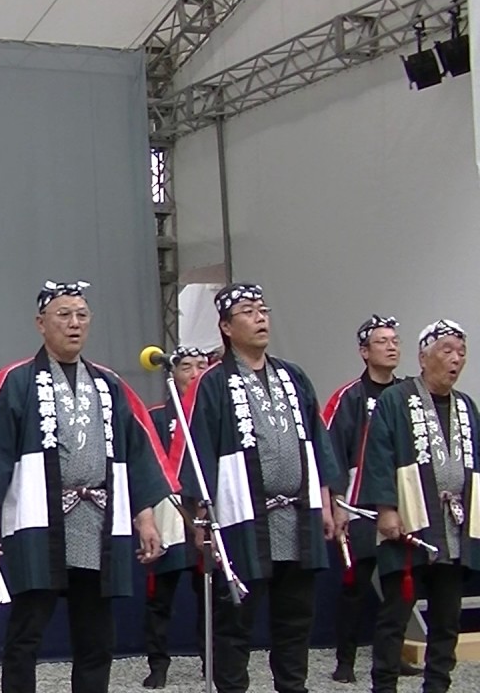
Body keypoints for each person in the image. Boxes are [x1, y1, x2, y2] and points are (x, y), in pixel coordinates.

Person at [0, 279, 170, 693]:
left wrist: (146, 520)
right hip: (40, 520)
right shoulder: (15, 381)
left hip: (99, 522)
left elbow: (136, 455)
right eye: (63, 315)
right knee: (27, 630)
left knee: (96, 637)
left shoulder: (110, 384)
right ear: (41, 323)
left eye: (82, 315)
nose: (74, 324)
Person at [174, 282, 340, 693]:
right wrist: (200, 515)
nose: (261, 317)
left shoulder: (293, 376)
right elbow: (197, 452)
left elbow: (317, 440)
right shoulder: (211, 384)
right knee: (236, 617)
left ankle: (292, 686)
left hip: (298, 513)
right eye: (249, 311)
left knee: (296, 615)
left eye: (263, 310)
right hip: (241, 515)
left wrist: (326, 498)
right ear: (227, 327)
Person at [359, 319, 475, 693]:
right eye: (447, 350)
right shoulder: (396, 400)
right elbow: (377, 455)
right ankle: (385, 685)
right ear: (423, 357)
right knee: (395, 613)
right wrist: (386, 509)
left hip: (454, 526)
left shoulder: (467, 406)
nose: (455, 359)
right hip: (410, 523)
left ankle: (438, 685)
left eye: (461, 352)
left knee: (447, 616)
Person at [322, 315, 420, 684]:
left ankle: (391, 657)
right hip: (357, 501)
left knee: (400, 582)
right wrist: (336, 502)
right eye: (382, 341)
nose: (392, 346)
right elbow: (331, 451)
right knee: (355, 584)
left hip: (399, 499)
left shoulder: (409, 395)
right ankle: (345, 659)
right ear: (364, 351)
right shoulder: (348, 398)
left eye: (395, 340)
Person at [141, 346, 208, 689]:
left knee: (209, 592)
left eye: (202, 366)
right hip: (169, 506)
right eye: (187, 367)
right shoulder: (155, 416)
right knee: (161, 595)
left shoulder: (213, 413)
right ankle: (158, 663)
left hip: (208, 509)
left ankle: (210, 660)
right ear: (174, 373)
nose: (195, 372)